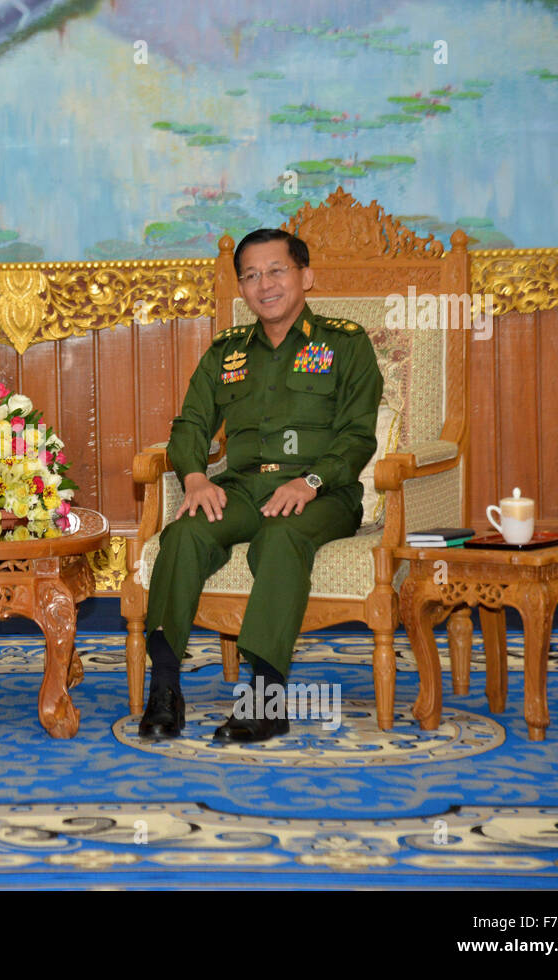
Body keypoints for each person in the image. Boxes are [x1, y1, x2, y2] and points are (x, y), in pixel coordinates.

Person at [139, 228, 383, 742]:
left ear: (305, 277)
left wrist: (311, 481)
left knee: (281, 535)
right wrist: (197, 477)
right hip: (244, 487)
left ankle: (266, 698)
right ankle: (164, 688)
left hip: (325, 493)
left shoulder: (346, 343)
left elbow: (359, 437)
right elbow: (190, 425)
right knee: (184, 533)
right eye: (250, 275)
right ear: (242, 288)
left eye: (276, 270)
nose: (263, 284)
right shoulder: (226, 352)